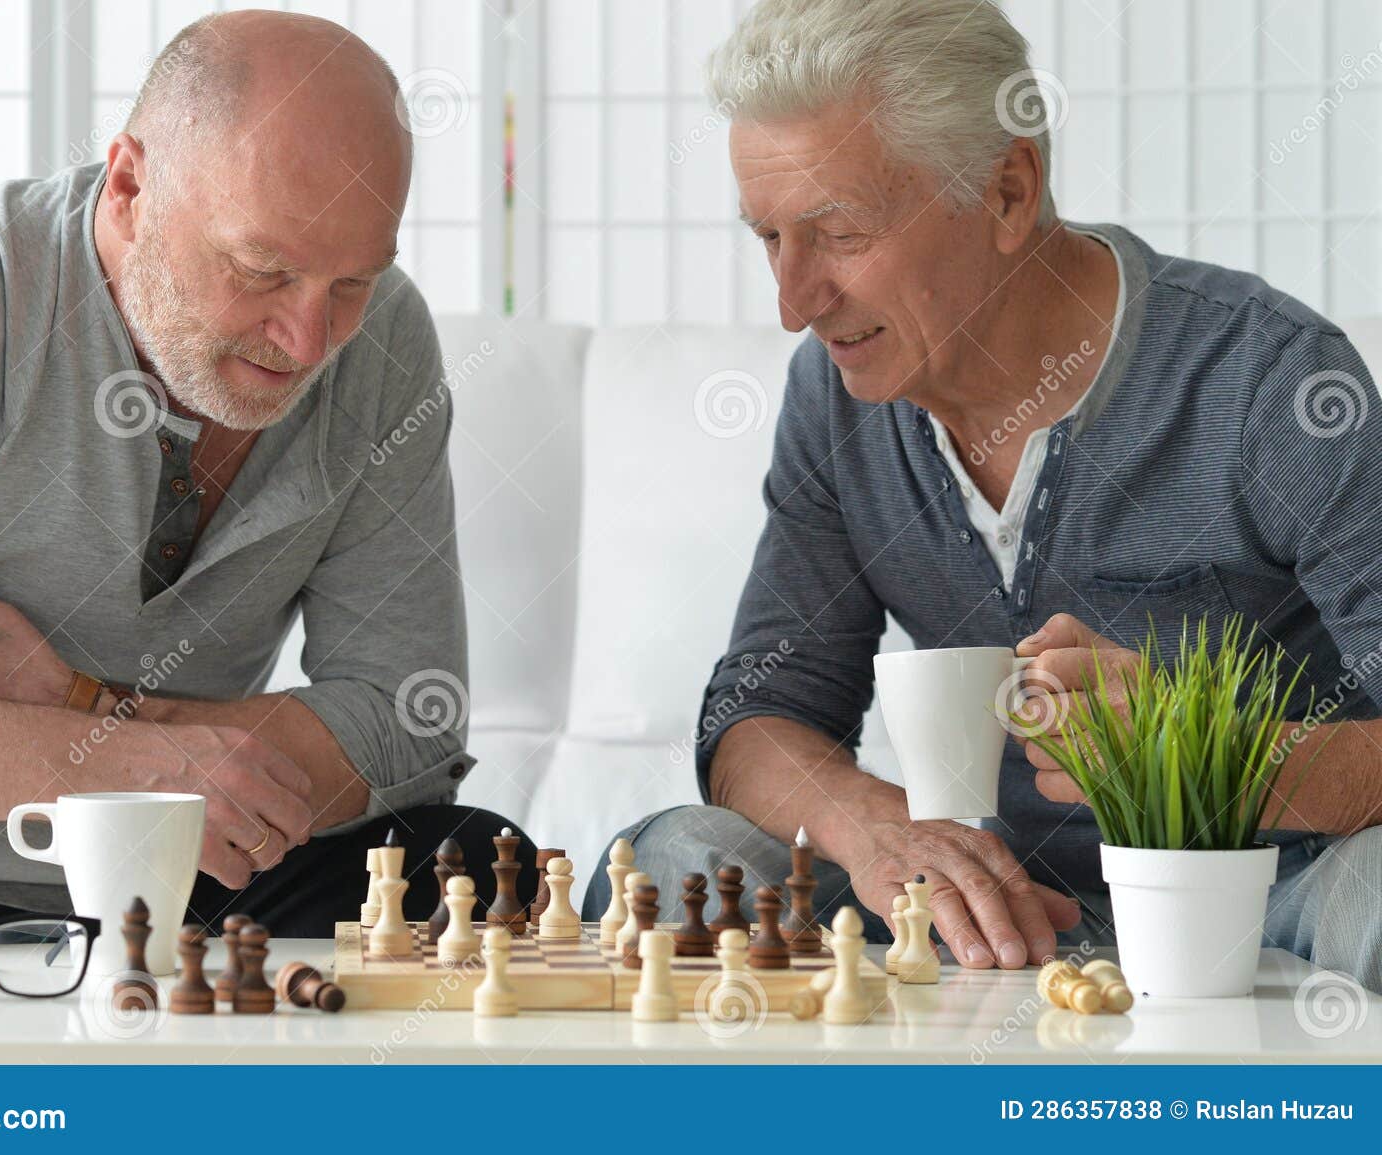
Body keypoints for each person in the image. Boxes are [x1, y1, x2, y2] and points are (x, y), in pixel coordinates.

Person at [584, 0, 1382, 990]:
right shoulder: (836, 393)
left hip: (1261, 913)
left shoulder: (1272, 381)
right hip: (979, 923)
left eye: (836, 232)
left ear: (1008, 191)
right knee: (673, 860)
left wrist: (1211, 753)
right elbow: (760, 718)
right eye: (769, 238)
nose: (794, 301)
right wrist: (872, 826)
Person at [0, 10, 530, 968]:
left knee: (465, 862)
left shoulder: (383, 343)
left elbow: (407, 722)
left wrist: (72, 701)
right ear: (132, 186)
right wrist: (107, 765)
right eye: (263, 271)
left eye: (351, 285)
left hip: (189, 886)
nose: (307, 342)